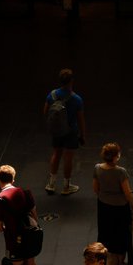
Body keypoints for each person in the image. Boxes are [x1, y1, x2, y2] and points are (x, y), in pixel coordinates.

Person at [93, 143, 133, 265]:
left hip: (104, 206)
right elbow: (127, 193)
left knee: (105, 232)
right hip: (120, 208)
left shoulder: (97, 168)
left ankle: (106, 260)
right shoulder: (120, 172)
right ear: (115, 157)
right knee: (122, 234)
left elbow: (95, 188)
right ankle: (120, 263)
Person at [43, 68, 86, 196]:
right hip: (71, 132)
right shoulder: (77, 99)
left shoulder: (52, 95)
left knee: (56, 154)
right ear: (72, 81)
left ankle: (51, 184)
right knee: (68, 158)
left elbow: (45, 112)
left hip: (57, 130)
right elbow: (81, 120)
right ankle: (66, 186)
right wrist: (82, 135)